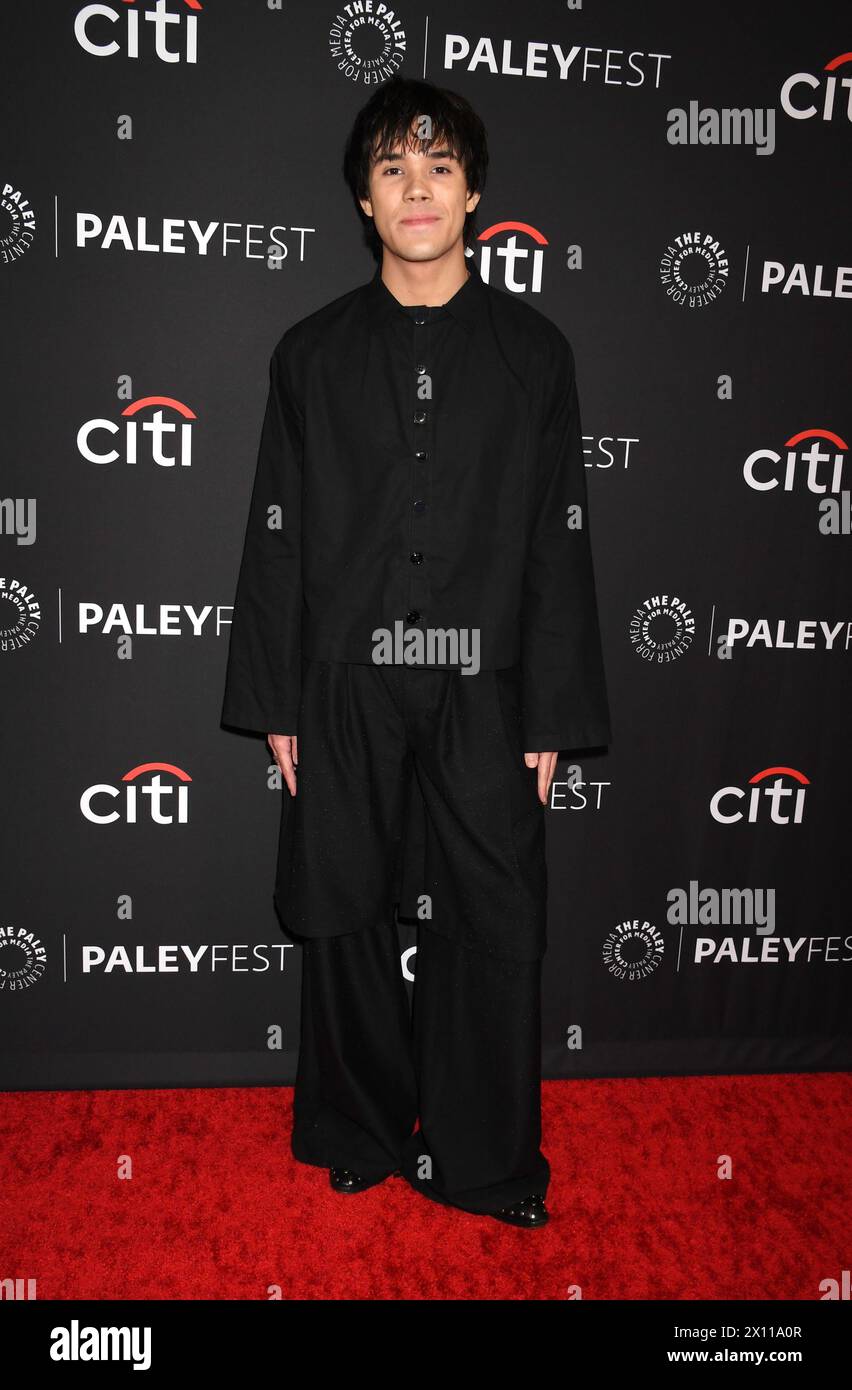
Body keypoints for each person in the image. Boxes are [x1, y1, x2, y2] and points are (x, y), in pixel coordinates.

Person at [221, 75, 612, 1228]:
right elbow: (275, 535)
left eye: (438, 166)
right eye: (393, 167)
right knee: (342, 910)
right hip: (342, 676)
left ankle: (488, 1160)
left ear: (474, 189)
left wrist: (551, 712)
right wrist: (278, 697)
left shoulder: (538, 354)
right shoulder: (309, 354)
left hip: (486, 686)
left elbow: (558, 539)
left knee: (494, 919)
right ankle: (359, 1128)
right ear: (363, 196)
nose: (418, 187)